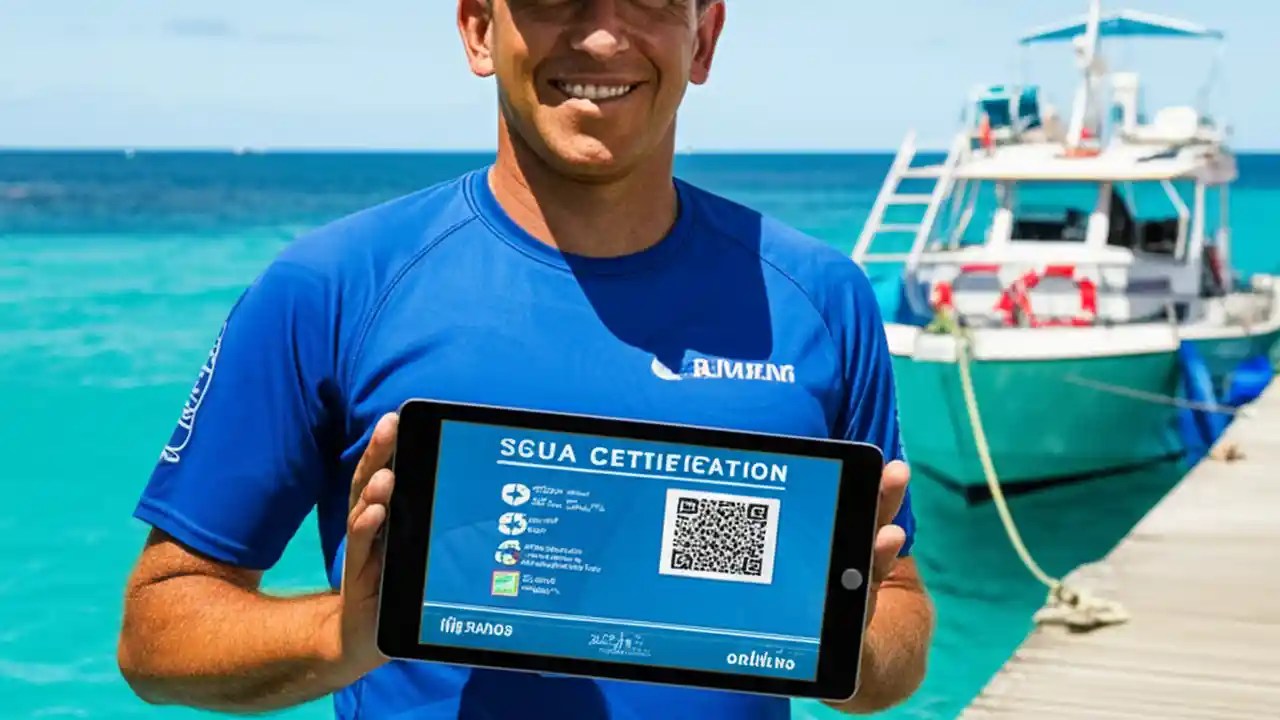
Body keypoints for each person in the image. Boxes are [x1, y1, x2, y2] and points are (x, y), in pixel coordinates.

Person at [116, 1, 934, 718]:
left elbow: (895, 620)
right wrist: (343, 634)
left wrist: (840, 646)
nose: (603, 36)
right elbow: (157, 634)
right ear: (479, 29)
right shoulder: (331, 286)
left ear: (704, 37)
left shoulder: (820, 297)